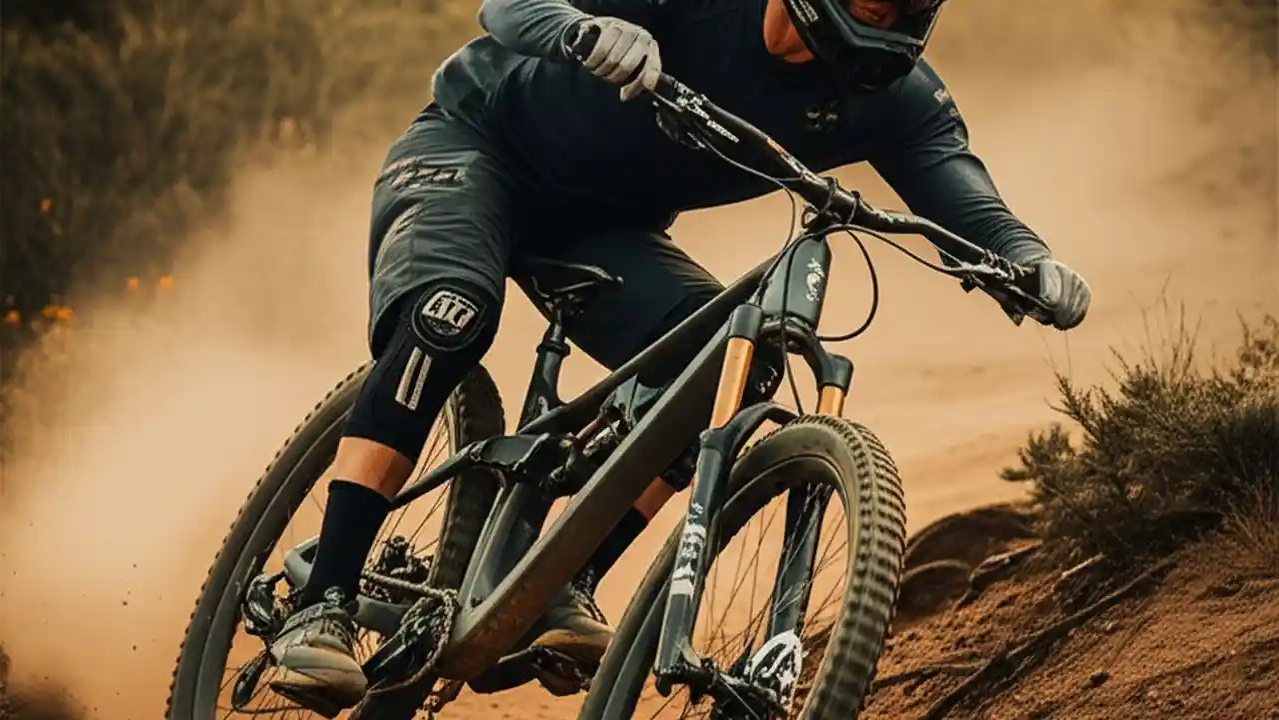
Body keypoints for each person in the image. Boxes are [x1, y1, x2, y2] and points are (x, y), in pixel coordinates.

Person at [267, 0, 1092, 709]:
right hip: (473, 149)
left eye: (904, 5)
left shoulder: (887, 97)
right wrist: (580, 30)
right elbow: (510, 7)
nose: (887, 16)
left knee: (723, 369)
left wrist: (1028, 259)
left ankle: (560, 582)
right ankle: (324, 595)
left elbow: (957, 183)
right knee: (450, 318)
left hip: (599, 227)